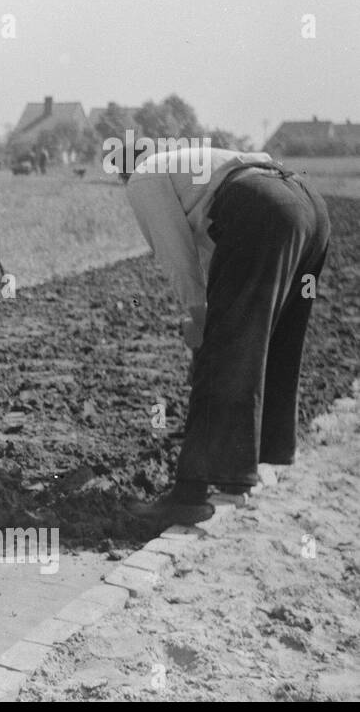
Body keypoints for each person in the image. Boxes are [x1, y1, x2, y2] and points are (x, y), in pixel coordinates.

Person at [122, 146, 330, 527]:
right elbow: (218, 255)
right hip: (310, 208)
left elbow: (178, 259)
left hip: (265, 209)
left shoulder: (144, 178)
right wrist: (208, 314)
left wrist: (201, 323)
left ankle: (190, 496)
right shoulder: (191, 167)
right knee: (272, 342)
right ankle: (251, 470)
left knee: (224, 350)